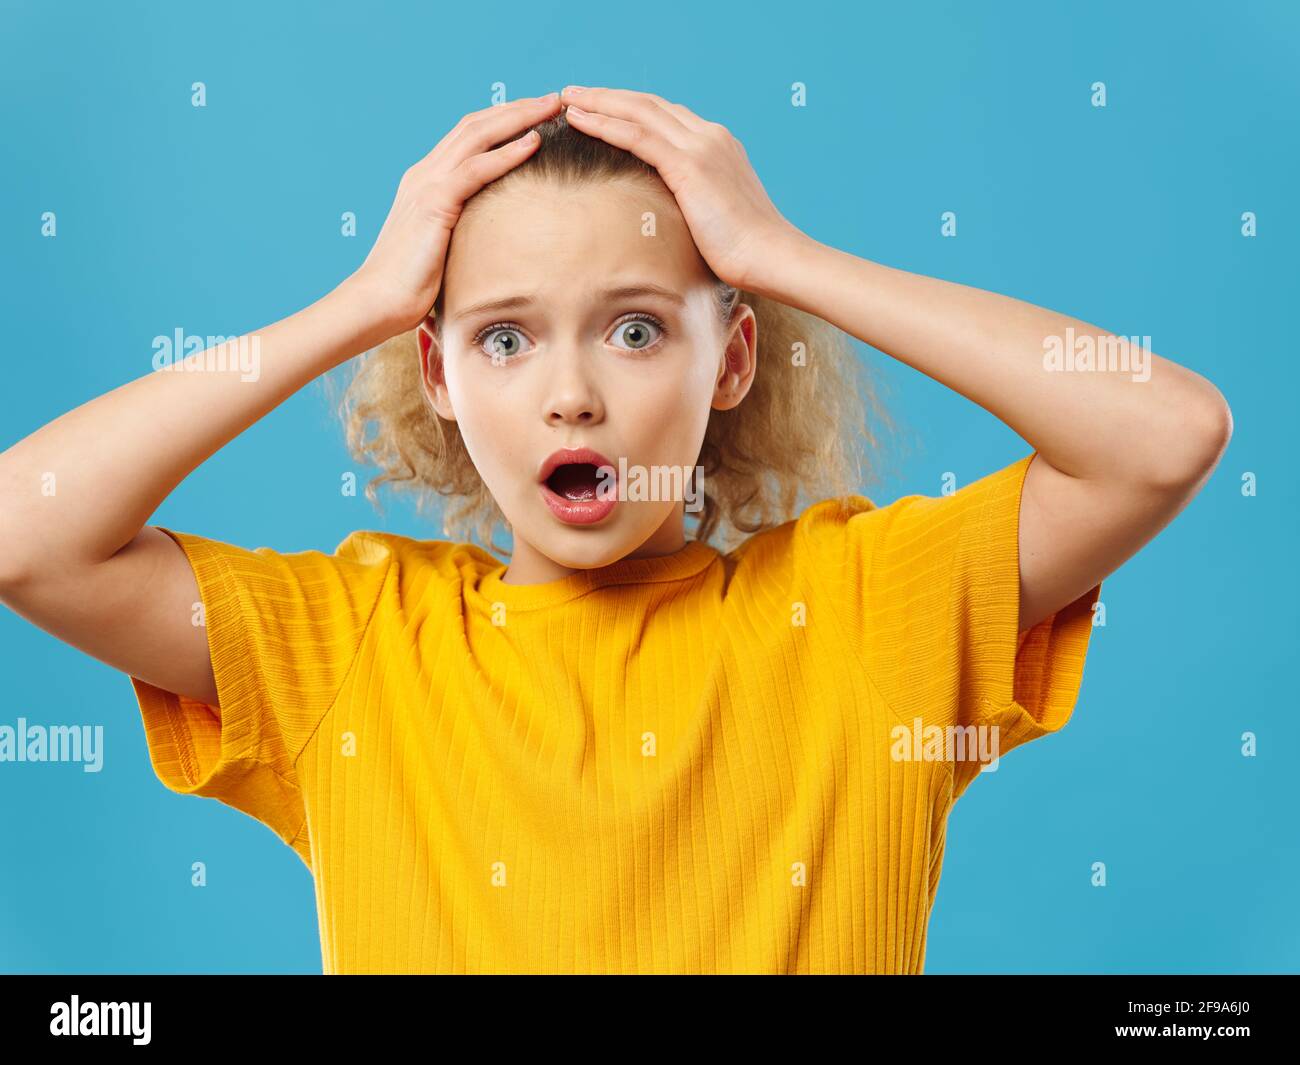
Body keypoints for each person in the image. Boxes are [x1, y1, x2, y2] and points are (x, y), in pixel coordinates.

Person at [0, 88, 1232, 974]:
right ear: (435, 377)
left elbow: (1163, 434)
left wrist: (782, 255)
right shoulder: (356, 647)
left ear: (733, 357)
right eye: (503, 337)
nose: (570, 392)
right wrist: (358, 304)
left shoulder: (865, 615)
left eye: (636, 329)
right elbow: (25, 535)